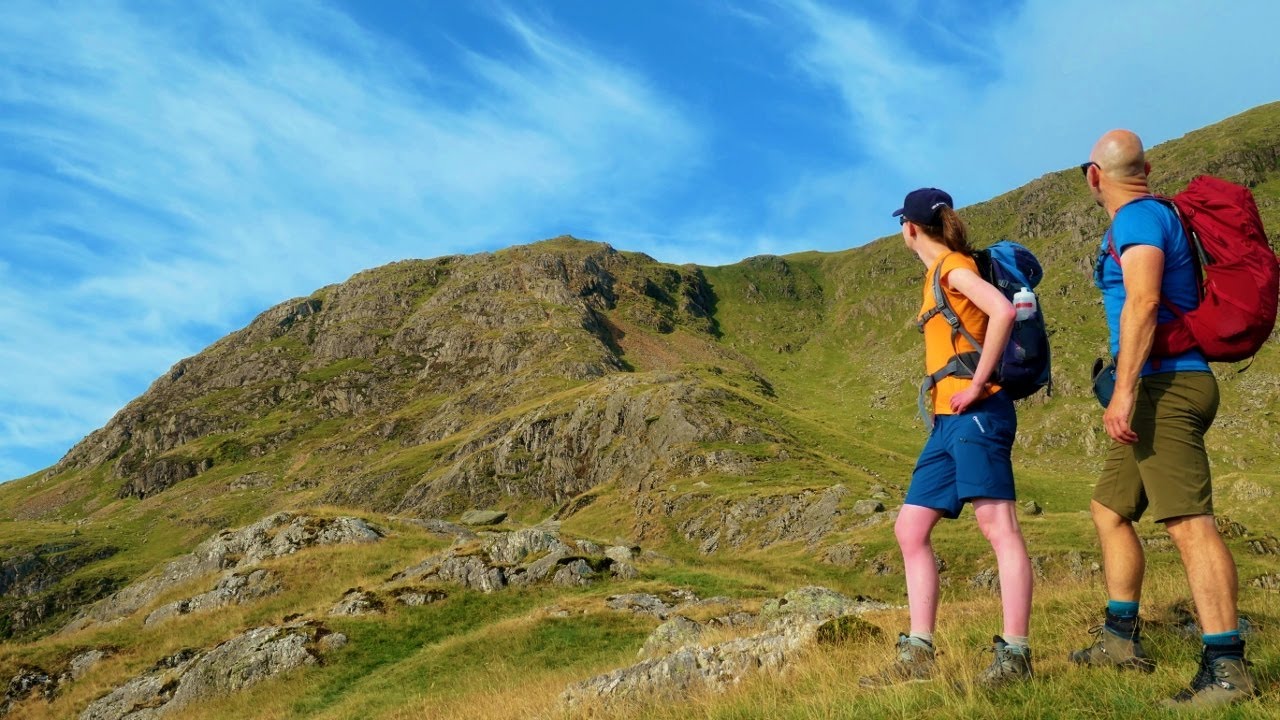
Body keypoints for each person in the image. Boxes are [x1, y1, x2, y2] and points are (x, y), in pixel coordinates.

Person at [1072, 130, 1253, 706]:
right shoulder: (1154, 214)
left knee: (1189, 524)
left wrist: (1123, 391)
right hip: (1163, 384)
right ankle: (1120, 640)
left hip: (1165, 387)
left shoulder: (1137, 220)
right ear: (1145, 167)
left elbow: (1145, 301)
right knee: (1109, 510)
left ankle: (1227, 669)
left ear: (1094, 176)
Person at [861, 188, 1034, 688]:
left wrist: (978, 384)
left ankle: (1015, 656)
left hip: (977, 412)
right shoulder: (938, 274)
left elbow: (1001, 311)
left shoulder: (953, 267)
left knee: (999, 527)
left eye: (902, 224)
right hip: (946, 423)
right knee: (910, 530)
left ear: (910, 228)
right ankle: (919, 652)